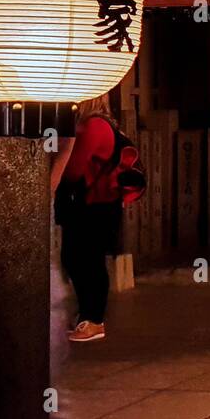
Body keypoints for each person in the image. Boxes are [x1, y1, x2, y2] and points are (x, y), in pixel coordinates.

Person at [54, 100, 146, 342]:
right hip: (93, 204)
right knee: (76, 258)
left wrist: (59, 153)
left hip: (97, 205)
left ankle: (94, 320)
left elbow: (74, 169)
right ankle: (87, 317)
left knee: (87, 261)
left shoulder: (94, 126)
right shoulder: (96, 125)